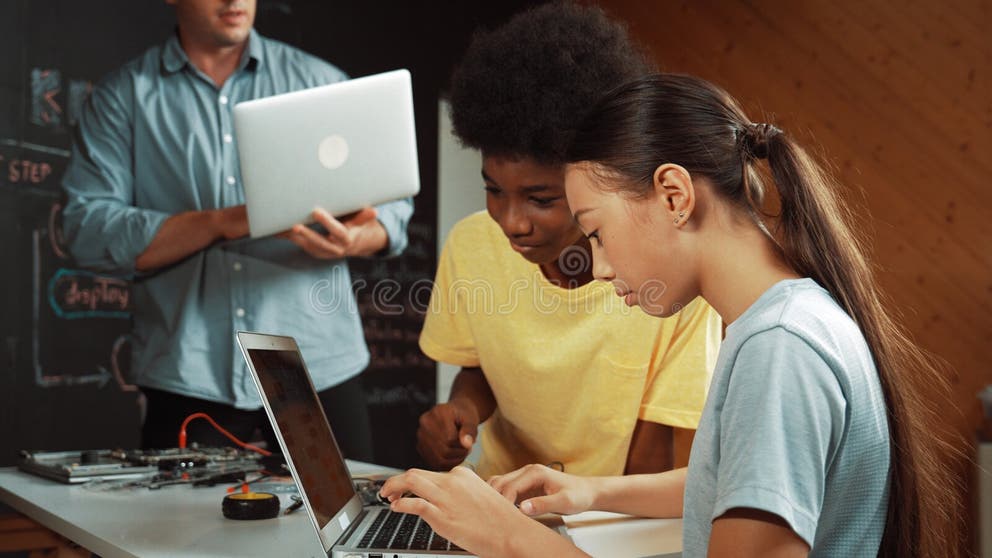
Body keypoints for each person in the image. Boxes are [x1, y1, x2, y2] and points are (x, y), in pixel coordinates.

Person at [381, 73, 961, 557]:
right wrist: (589, 491)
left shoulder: (779, 350)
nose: (599, 268)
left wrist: (508, 537)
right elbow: (726, 482)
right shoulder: (785, 320)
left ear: (675, 196)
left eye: (597, 232)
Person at [60, 0, 412, 460]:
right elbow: (87, 230)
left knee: (343, 509)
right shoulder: (122, 97)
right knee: (181, 512)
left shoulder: (321, 81)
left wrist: (360, 238)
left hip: (315, 363)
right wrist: (225, 221)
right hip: (190, 368)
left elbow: (392, 206)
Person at [415, 3, 721, 479]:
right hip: (500, 496)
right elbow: (485, 367)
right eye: (494, 190)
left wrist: (567, 509)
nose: (512, 222)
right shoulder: (471, 243)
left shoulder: (672, 280)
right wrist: (462, 411)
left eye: (540, 199)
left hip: (610, 512)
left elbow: (655, 457)